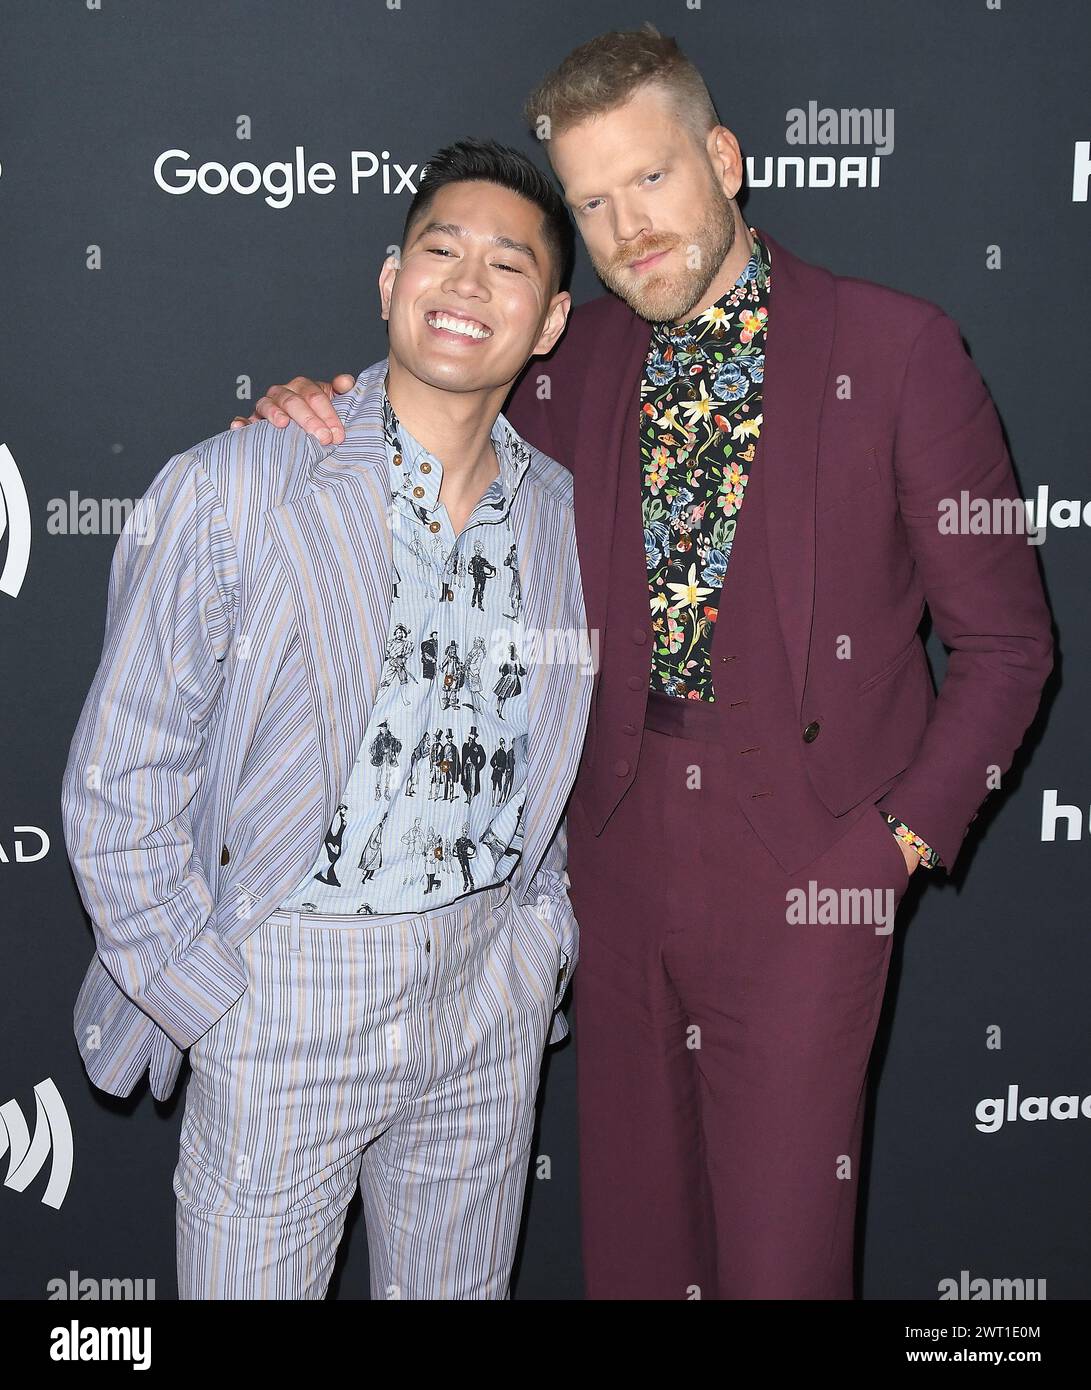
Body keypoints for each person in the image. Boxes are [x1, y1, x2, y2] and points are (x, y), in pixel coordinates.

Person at [232, 25, 1053, 1300]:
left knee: (782, 1266)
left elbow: (1007, 645)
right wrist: (315, 406)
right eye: (593, 204)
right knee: (633, 1256)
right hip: (604, 858)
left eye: (652, 180)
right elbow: (437, 393)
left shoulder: (896, 353)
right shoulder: (576, 360)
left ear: (722, 159)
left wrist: (889, 845)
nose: (627, 231)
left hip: (808, 865)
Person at [60, 138, 595, 1299]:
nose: (465, 284)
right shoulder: (234, 485)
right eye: (439, 251)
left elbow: (556, 750)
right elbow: (120, 776)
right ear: (389, 281)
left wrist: (536, 944)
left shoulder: (562, 514)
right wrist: (208, 997)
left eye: (505, 266)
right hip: (282, 988)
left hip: (486, 988)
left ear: (548, 321)